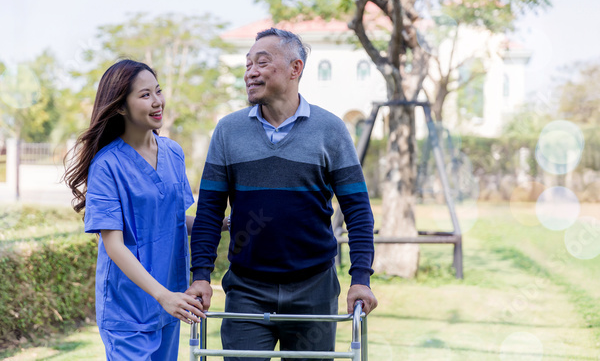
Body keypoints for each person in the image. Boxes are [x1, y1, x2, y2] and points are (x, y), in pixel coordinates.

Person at [186, 28, 378, 361]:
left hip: (314, 287)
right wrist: (200, 275)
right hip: (246, 288)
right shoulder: (228, 131)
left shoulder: (330, 130)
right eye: (247, 65)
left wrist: (361, 277)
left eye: (262, 62)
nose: (250, 72)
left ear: (295, 69)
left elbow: (357, 209)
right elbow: (210, 212)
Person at [64, 59, 205, 360]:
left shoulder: (173, 152)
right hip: (127, 312)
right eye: (145, 95)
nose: (157, 102)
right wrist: (162, 296)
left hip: (170, 304)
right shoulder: (107, 165)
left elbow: (176, 221)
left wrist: (226, 222)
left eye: (158, 91)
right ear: (120, 107)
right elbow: (113, 245)